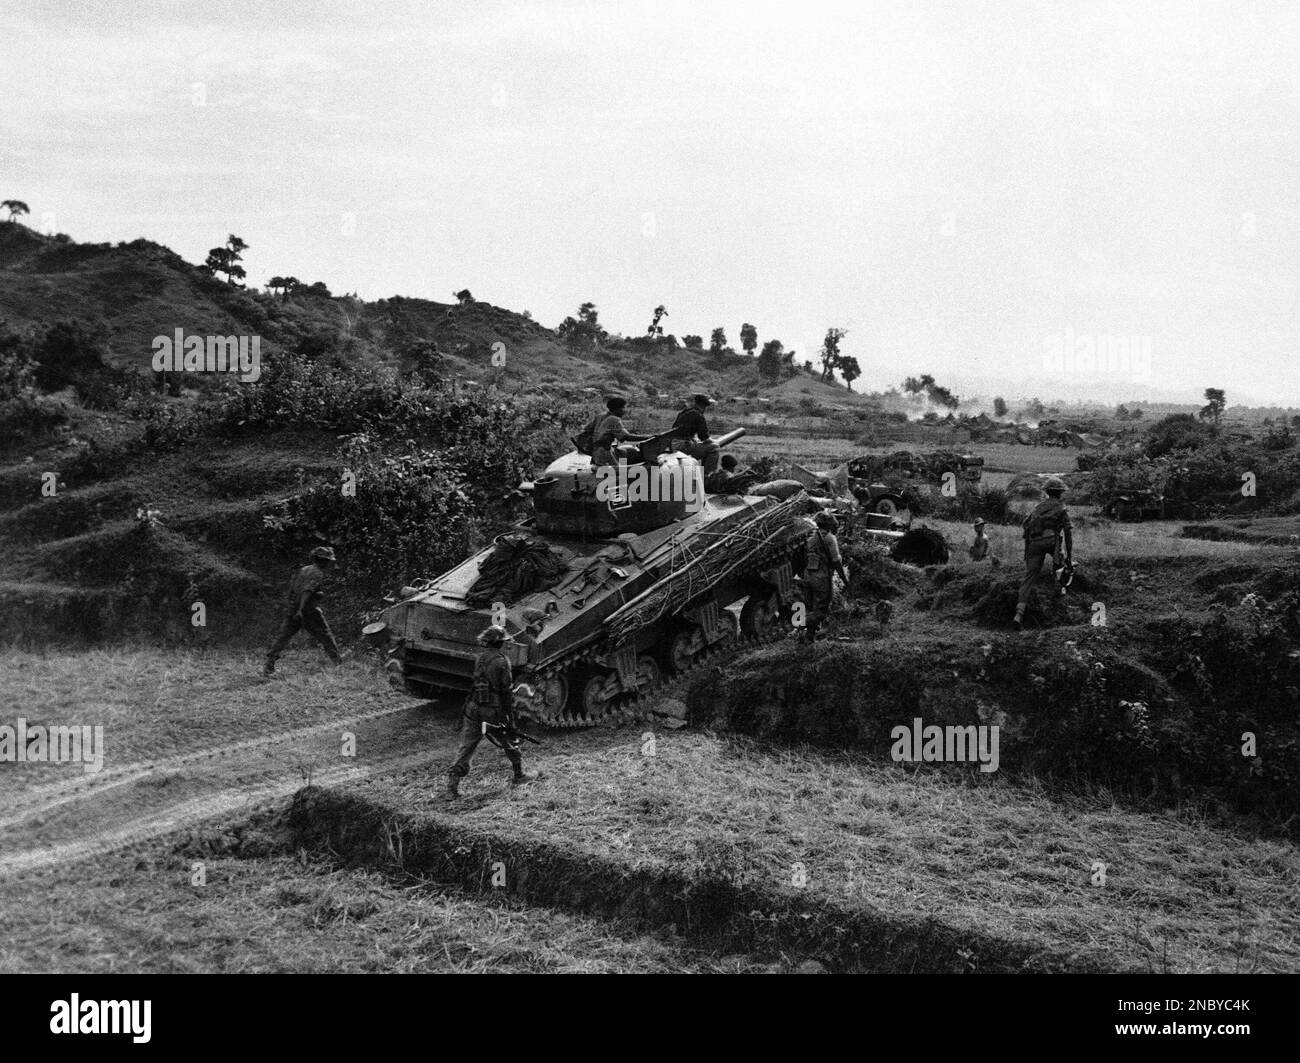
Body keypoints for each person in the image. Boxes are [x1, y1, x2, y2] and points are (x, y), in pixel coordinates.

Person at [446, 625, 538, 798]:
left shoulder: (479, 658)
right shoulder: (502, 661)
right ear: (500, 643)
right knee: (509, 738)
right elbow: (505, 690)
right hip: (492, 709)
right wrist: (509, 716)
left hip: (474, 706)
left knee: (467, 746)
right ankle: (519, 775)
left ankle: (452, 787)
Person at [264, 546, 342, 676]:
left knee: (284, 635)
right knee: (325, 634)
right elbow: (307, 591)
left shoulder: (304, 569)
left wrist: (293, 607)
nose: (329, 564)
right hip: (308, 610)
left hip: (294, 608)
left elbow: (292, 588)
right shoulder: (318, 573)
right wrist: (301, 609)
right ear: (323, 561)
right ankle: (338, 663)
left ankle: (269, 665)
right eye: (328, 561)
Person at [1014, 477, 1073, 630]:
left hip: (1034, 543)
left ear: (1047, 492)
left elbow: (1026, 528)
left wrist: (1027, 553)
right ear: (1060, 493)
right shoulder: (1061, 507)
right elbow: (1067, 532)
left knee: (1029, 579)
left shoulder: (1038, 508)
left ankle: (1019, 614)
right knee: (1060, 570)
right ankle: (1060, 605)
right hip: (1052, 540)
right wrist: (1069, 557)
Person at [801, 512, 849, 643]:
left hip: (808, 576)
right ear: (829, 525)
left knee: (810, 606)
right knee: (821, 609)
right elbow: (836, 561)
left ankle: (808, 637)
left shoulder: (810, 537)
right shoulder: (829, 538)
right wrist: (844, 580)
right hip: (821, 578)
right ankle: (798, 623)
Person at [670, 394, 721, 475]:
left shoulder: (685, 412)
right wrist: (715, 442)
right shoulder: (698, 415)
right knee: (714, 448)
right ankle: (707, 476)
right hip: (682, 447)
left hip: (673, 444)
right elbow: (705, 438)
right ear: (704, 406)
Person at [589, 395, 635, 468]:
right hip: (604, 452)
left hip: (596, 452)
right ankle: (615, 467)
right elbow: (625, 437)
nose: (625, 410)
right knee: (622, 472)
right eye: (623, 407)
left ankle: (601, 464)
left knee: (624, 452)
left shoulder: (600, 416)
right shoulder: (614, 419)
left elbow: (588, 430)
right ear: (617, 409)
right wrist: (648, 437)